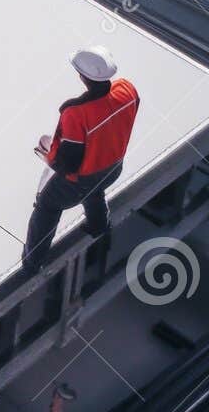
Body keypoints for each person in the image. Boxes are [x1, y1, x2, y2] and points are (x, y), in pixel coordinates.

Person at [21, 47, 140, 275]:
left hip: (84, 178)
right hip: (113, 167)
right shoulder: (127, 89)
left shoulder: (75, 114)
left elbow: (69, 164)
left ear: (82, 77)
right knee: (95, 189)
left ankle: (31, 264)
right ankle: (98, 225)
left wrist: (49, 158)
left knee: (46, 207)